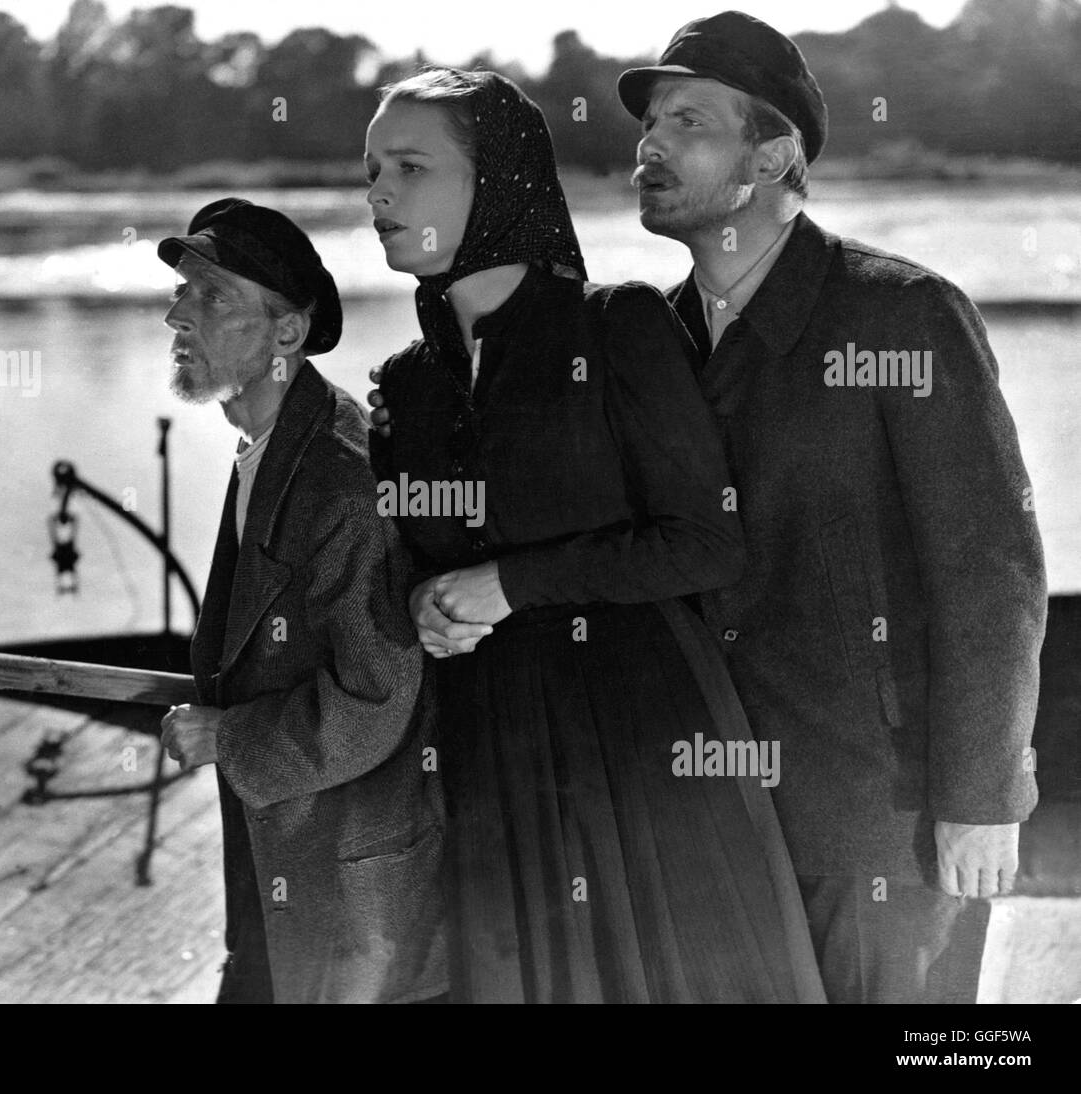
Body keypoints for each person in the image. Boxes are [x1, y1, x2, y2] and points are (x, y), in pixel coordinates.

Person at [364, 67, 825, 1003]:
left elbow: (704, 542)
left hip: (640, 746)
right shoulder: (404, 384)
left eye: (411, 166)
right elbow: (420, 569)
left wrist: (512, 585)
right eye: (371, 171)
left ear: (498, 180)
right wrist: (424, 605)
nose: (378, 193)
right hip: (493, 750)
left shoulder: (617, 326)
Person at [612, 10, 1044, 1003]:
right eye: (647, 124)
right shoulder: (647, 339)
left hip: (874, 828)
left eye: (686, 122)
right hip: (706, 826)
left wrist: (979, 797)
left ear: (772, 155)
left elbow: (991, 571)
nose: (647, 145)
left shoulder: (901, 313)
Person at [157, 197, 446, 1004]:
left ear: (287, 333)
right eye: (185, 292)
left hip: (349, 890)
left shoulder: (340, 480)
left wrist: (227, 735)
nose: (179, 315)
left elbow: (376, 698)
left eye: (213, 297)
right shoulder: (269, 443)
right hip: (285, 858)